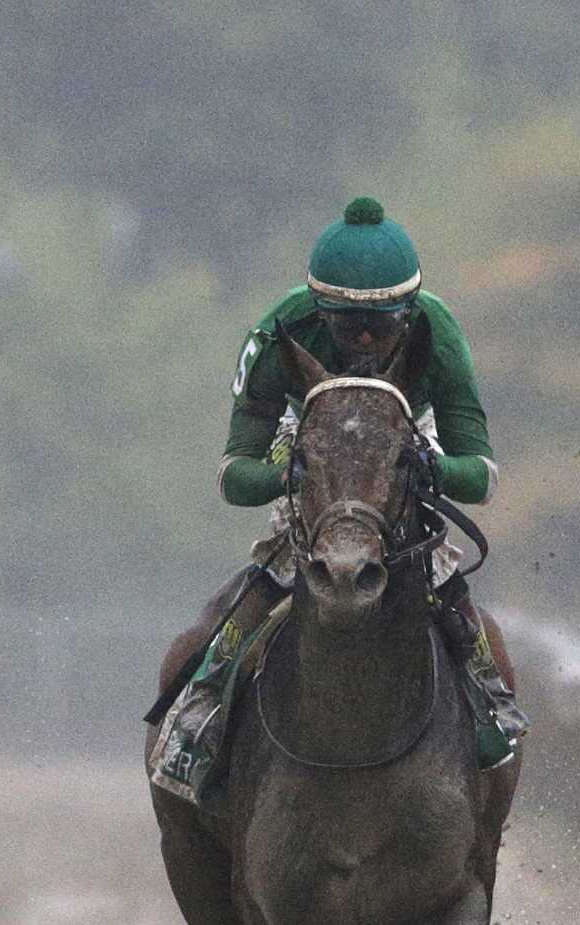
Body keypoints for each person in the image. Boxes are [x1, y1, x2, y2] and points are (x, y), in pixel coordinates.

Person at [149, 197, 525, 803]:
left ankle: (490, 708)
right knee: (268, 578)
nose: (368, 337)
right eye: (348, 325)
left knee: (447, 585)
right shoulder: (278, 332)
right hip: (308, 444)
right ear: (319, 311)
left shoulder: (440, 333)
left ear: (412, 307)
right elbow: (232, 476)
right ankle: (201, 715)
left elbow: (480, 475)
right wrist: (293, 474)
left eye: (385, 322)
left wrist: (426, 464)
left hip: (403, 441)